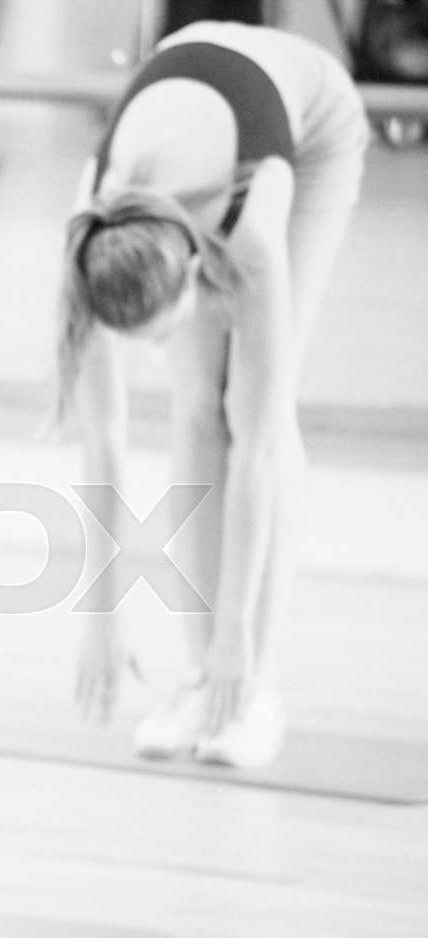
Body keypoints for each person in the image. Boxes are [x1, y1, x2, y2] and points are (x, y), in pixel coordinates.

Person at [58, 22, 368, 767]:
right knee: (195, 401)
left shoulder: (249, 225)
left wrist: (237, 635)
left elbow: (258, 450)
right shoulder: (89, 244)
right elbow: (104, 443)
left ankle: (252, 687)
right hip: (195, 114)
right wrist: (101, 615)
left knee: (255, 402)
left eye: (165, 330)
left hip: (310, 126)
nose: (157, 351)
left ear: (197, 266)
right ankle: (201, 680)